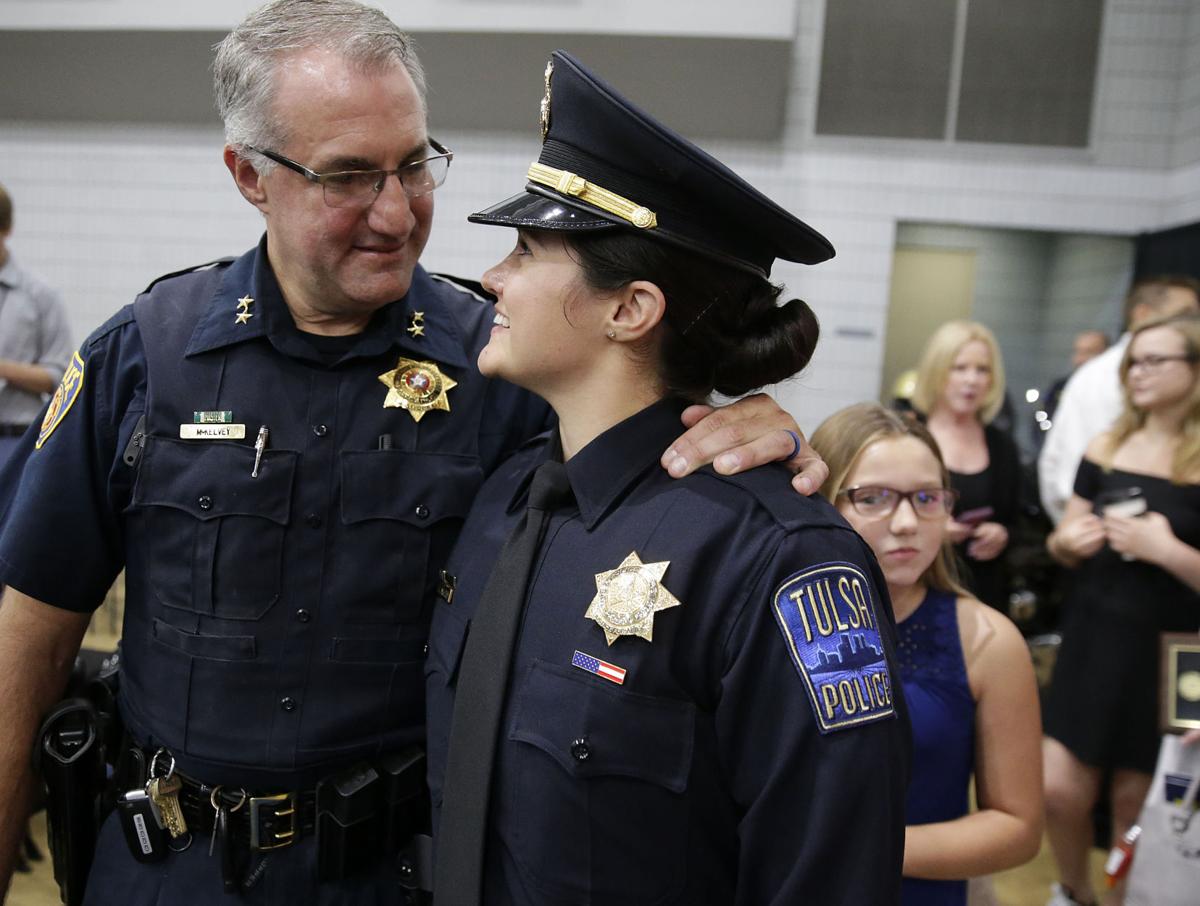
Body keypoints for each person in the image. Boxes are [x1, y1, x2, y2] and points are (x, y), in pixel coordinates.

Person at [0, 2, 828, 902]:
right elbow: (28, 644)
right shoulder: (143, 360)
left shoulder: (504, 367)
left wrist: (746, 424)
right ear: (249, 175)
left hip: (395, 875)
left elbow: (644, 453)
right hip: (172, 868)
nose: (395, 214)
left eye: (414, 165)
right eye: (349, 176)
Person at [424, 51, 911, 906]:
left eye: (527, 248)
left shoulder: (776, 557)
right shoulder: (505, 501)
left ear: (629, 309)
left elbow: (825, 875)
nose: (492, 277)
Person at [810, 403, 1042, 906]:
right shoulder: (780, 625)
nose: (908, 522)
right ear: (822, 502)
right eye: (873, 498)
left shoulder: (986, 640)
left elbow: (1018, 826)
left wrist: (866, 847)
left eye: (927, 497)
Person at [1042, 313, 1200, 906]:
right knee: (1058, 788)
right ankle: (1073, 890)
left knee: (1144, 802)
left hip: (1176, 655)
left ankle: (1128, 899)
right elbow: (1063, 537)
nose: (1140, 371)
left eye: (1158, 360)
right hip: (1094, 636)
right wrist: (1069, 542)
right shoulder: (1107, 444)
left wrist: (1168, 551)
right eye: (1135, 359)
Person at [1039, 276, 1200, 524]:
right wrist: (1072, 536)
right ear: (1143, 314)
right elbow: (1072, 476)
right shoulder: (1104, 377)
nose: (1138, 373)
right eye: (1184, 314)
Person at [911, 320, 1021, 612]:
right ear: (937, 372)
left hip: (982, 590)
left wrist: (1002, 533)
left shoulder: (1002, 446)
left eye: (982, 370)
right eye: (959, 368)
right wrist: (931, 528)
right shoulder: (908, 437)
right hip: (917, 586)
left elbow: (1018, 519)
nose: (971, 380)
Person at [0, 181, 74, 473]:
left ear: (6, 230)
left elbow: (60, 376)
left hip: (15, 439)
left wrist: (3, 368)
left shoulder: (40, 296)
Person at [1043, 330, 1109, 422]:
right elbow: (1043, 420)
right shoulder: (1061, 386)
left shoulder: (1112, 389)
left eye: (1088, 352)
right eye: (1077, 352)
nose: (1079, 359)